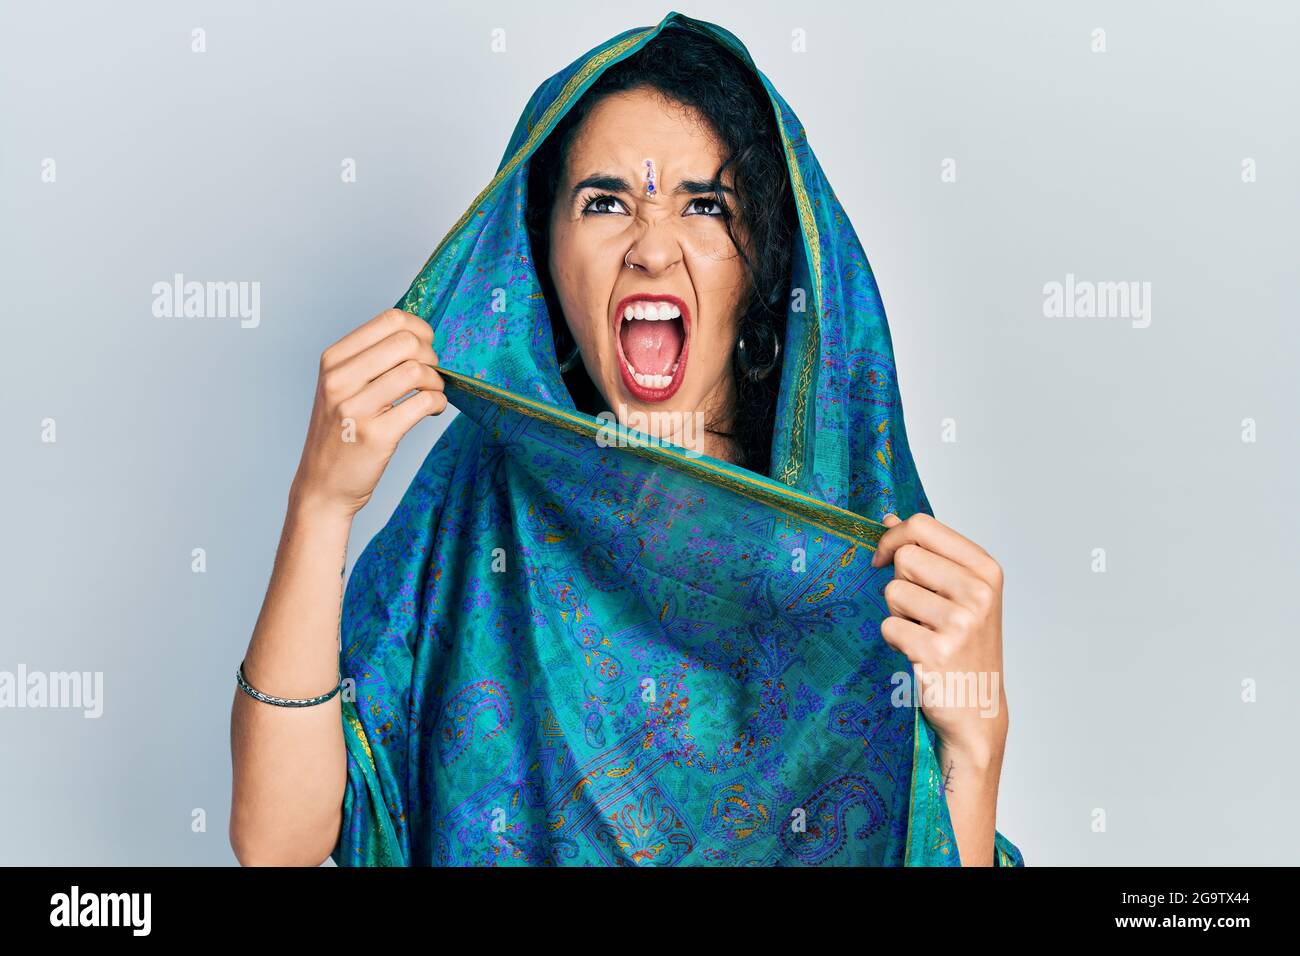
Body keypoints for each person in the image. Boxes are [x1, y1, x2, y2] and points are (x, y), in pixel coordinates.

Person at [229, 10, 1024, 867]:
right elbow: (278, 843)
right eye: (605, 201)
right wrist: (320, 505)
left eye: (707, 206)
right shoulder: (481, 495)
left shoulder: (857, 564)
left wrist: (974, 753)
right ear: (543, 257)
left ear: (763, 264)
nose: (653, 248)